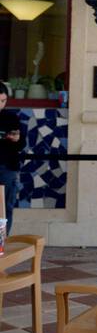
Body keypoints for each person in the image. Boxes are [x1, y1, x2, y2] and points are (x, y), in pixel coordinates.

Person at [0, 82, 23, 235]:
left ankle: (1, 243)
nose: (1, 104)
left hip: (7, 167)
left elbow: (21, 143)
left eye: (3, 101)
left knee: (6, 207)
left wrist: (16, 139)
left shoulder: (11, 117)